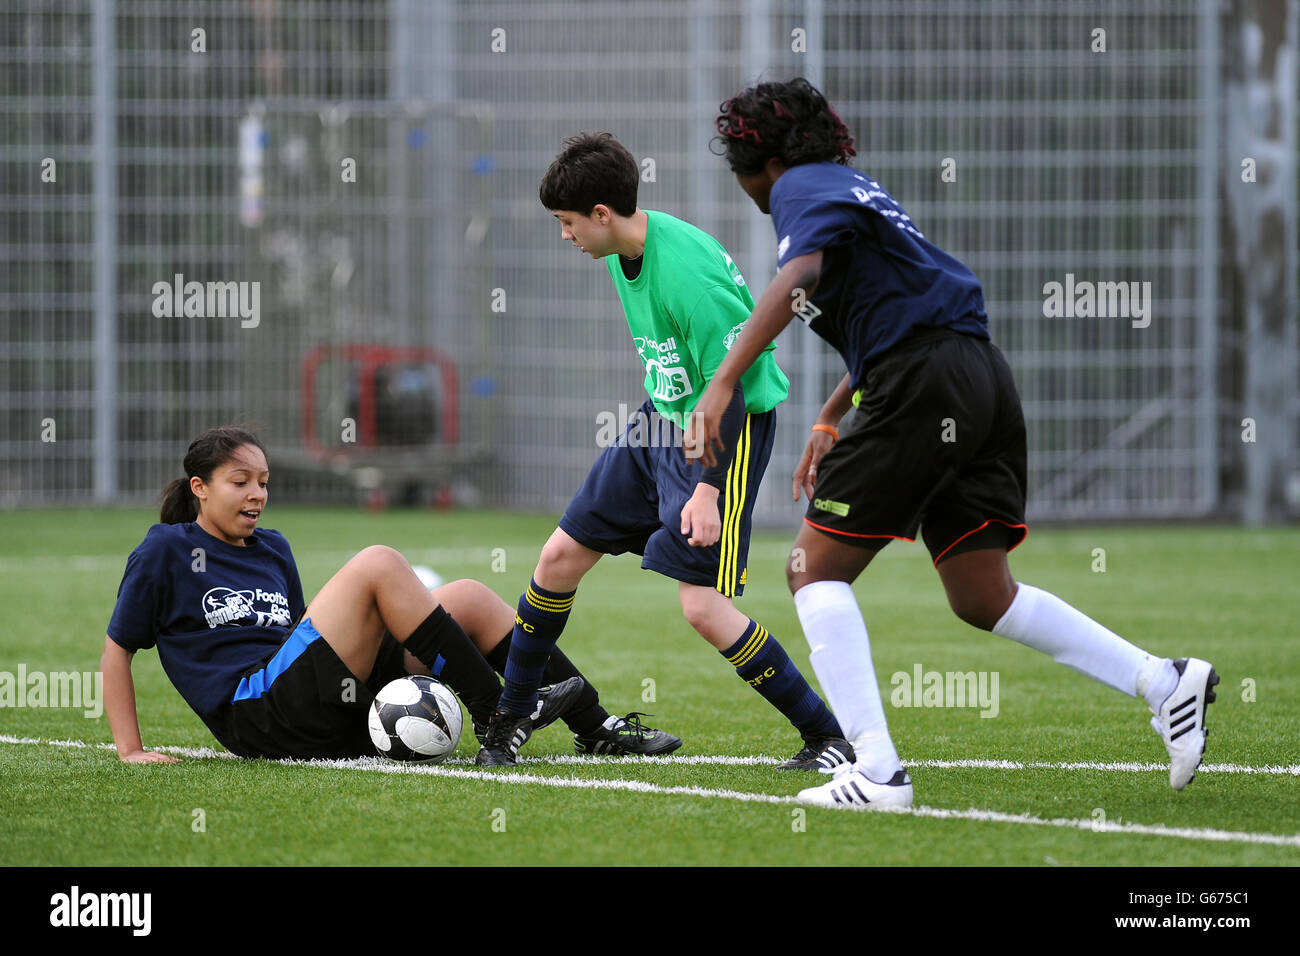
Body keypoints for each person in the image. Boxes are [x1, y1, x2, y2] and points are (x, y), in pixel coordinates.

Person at [687, 77, 1219, 810]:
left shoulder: (800, 187)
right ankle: (1166, 681)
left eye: (740, 169)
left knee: (812, 569)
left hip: (927, 380)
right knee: (982, 594)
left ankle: (876, 772)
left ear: (763, 161)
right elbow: (902, 307)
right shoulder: (854, 187)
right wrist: (832, 412)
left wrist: (722, 382)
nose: (744, 187)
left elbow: (802, 274)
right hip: (975, 374)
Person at [475, 132, 852, 770]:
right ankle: (512, 716)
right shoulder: (624, 249)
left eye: (568, 224)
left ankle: (828, 736)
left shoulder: (686, 273)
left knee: (702, 606)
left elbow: (728, 386)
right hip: (664, 420)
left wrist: (709, 486)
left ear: (601, 214)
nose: (564, 236)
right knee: (559, 557)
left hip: (723, 434)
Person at [103, 425, 677, 763]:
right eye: (240, 483)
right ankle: (499, 711)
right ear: (200, 489)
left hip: (320, 701)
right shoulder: (166, 551)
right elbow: (118, 650)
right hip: (261, 717)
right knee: (378, 562)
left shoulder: (272, 548)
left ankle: (596, 728)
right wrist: (130, 749)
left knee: (470, 596)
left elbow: (305, 635)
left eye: (264, 483)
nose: (257, 494)